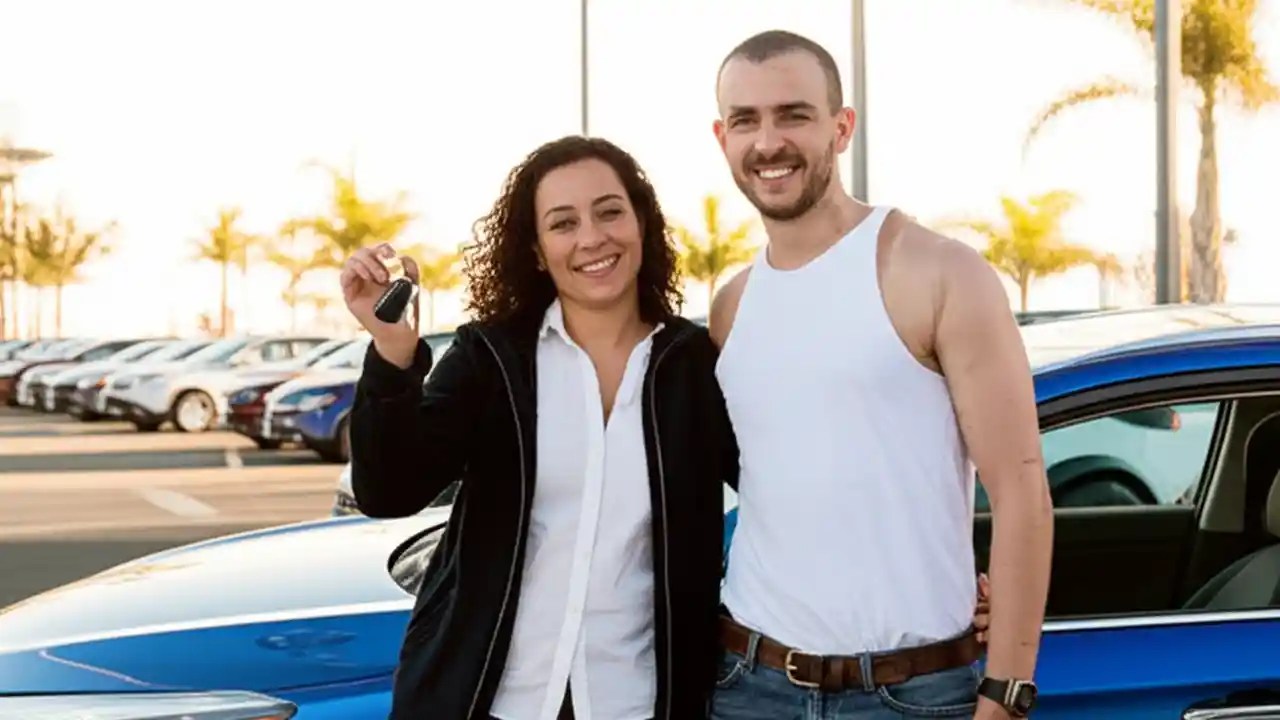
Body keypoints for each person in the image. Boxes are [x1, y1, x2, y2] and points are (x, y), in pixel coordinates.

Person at [706, 30, 1054, 720]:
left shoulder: (935, 272)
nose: (768, 141)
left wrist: (1007, 693)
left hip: (911, 696)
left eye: (793, 115)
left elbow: (1020, 490)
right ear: (722, 138)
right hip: (747, 687)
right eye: (746, 120)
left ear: (842, 127)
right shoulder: (732, 305)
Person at [342, 136, 737, 720]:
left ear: (641, 223)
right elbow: (387, 490)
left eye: (609, 211)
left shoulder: (697, 366)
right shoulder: (492, 360)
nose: (591, 238)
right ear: (536, 249)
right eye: (562, 223)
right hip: (494, 702)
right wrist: (393, 351)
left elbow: (781, 494)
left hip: (640, 703)